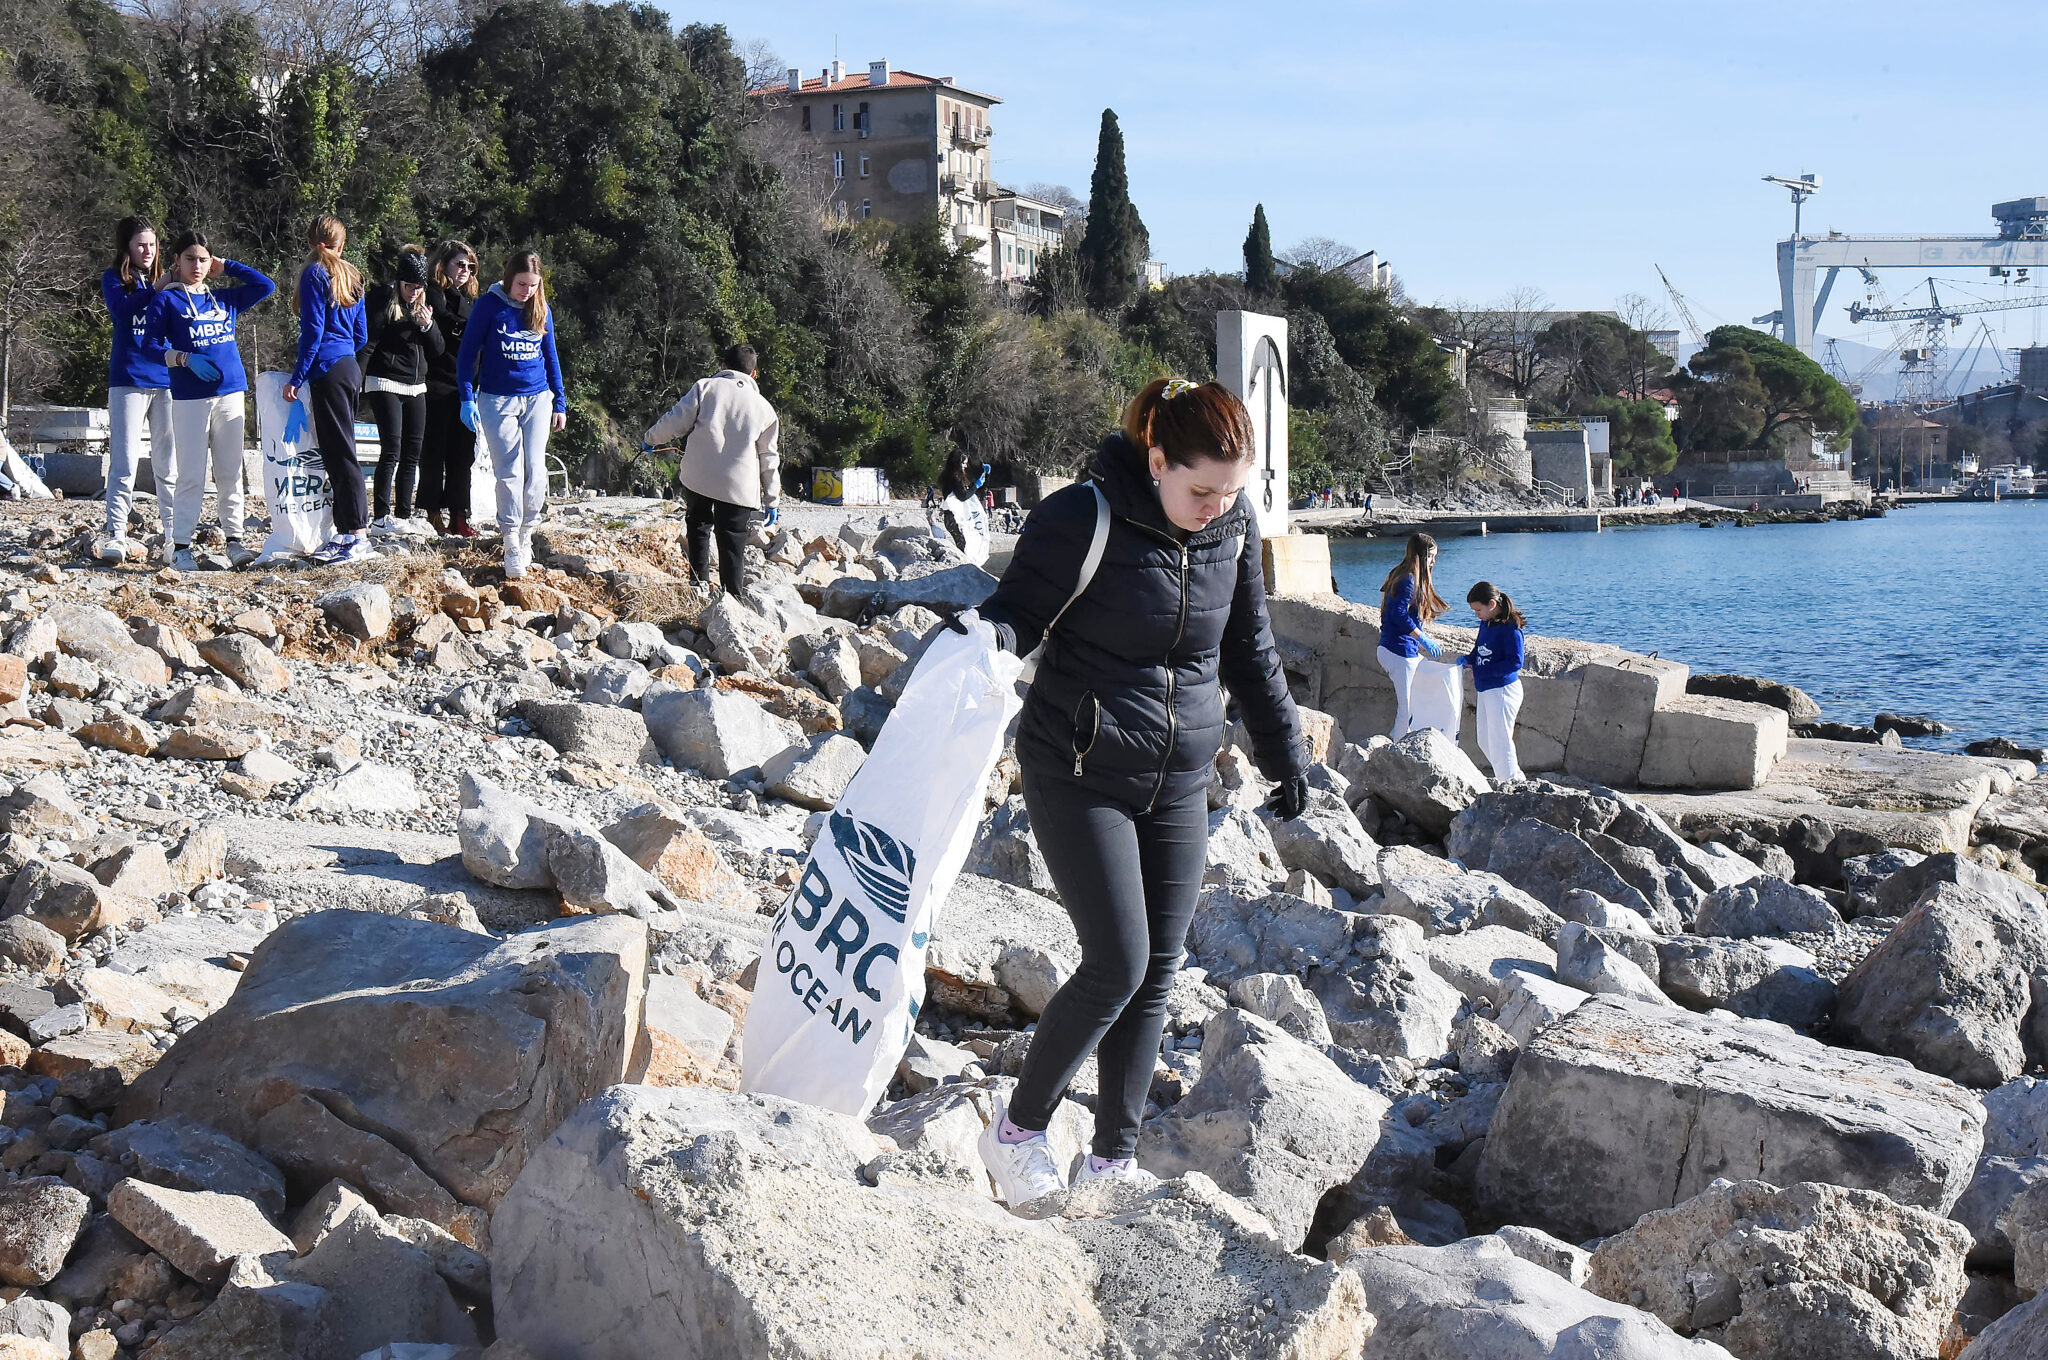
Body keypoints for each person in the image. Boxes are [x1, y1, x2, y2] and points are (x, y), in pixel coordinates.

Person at [965, 376, 1308, 1208]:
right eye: (1200, 489)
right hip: (1077, 769)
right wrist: (975, 654)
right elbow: (1013, 613)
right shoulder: (1082, 517)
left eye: (1231, 493)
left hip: (1182, 779)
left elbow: (1249, 647)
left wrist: (1283, 748)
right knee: (1116, 961)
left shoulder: (1229, 526)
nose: (1215, 507)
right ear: (1155, 458)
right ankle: (1016, 1133)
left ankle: (1111, 1162)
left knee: (1158, 972)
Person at [141, 231, 275, 571]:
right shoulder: (166, 301)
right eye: (190, 259)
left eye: (203, 259)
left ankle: (235, 540)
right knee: (190, 473)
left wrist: (226, 266)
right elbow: (149, 346)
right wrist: (182, 358)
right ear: (176, 261)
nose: (197, 265)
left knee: (230, 472)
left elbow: (265, 286)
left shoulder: (225, 299)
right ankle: (182, 545)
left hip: (230, 392)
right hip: (189, 398)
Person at [456, 249, 566, 580]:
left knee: (535, 469)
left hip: (537, 398)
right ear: (509, 278)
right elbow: (467, 353)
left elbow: (551, 356)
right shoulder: (489, 305)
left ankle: (526, 533)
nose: (526, 291)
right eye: (521, 284)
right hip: (497, 399)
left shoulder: (540, 307)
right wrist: (466, 397)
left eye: (533, 285)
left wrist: (559, 400)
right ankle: (509, 539)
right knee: (509, 472)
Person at [642, 343, 779, 595]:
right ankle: (732, 597)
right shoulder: (765, 409)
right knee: (732, 540)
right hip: (738, 487)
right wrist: (772, 498)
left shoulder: (705, 387)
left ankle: (698, 583)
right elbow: (768, 457)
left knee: (698, 524)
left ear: (723, 367)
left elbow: (676, 420)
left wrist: (651, 439)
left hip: (699, 476)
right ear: (754, 374)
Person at [98, 217, 173, 564]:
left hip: (167, 380)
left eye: (153, 244)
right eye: (141, 244)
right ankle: (116, 531)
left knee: (167, 462)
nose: (148, 250)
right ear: (127, 246)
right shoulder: (115, 279)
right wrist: (157, 289)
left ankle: (175, 535)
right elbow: (122, 310)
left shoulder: (167, 281)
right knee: (125, 460)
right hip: (128, 378)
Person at [358, 247, 443, 531]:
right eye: (409, 287)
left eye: (419, 288)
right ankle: (381, 515)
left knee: (412, 454)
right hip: (384, 382)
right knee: (391, 449)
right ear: (399, 282)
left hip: (416, 386)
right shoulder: (383, 299)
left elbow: (438, 349)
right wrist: (357, 382)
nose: (413, 293)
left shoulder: (425, 305)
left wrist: (427, 325)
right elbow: (368, 344)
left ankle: (404, 515)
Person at [420, 240, 480, 537]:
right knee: (434, 452)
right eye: (460, 264)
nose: (465, 271)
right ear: (443, 264)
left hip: (466, 386)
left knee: (462, 456)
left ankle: (459, 515)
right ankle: (432, 512)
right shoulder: (433, 293)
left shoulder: (472, 301)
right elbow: (444, 321)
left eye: (470, 267)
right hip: (436, 381)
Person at [1377, 532, 1447, 739]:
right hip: (1399, 651)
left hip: (1394, 649)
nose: (1434, 561)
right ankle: (1396, 749)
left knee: (1414, 702)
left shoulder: (1400, 573)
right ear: (1420, 556)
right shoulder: (1408, 579)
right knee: (1407, 710)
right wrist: (1421, 637)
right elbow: (1397, 613)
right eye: (1431, 556)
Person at [1462, 581, 1527, 783]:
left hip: (1503, 690)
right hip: (1487, 689)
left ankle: (1510, 783)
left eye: (1478, 610)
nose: (1476, 614)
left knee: (1500, 742)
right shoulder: (1486, 623)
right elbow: (1480, 647)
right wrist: (1470, 659)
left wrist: (1483, 670)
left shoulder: (1510, 628)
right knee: (1484, 740)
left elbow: (1516, 662)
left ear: (1492, 604)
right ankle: (1516, 777)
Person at [935, 452, 991, 566]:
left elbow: (970, 493)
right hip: (954, 519)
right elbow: (963, 496)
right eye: (964, 463)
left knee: (966, 547)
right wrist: (977, 484)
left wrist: (985, 476)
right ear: (958, 463)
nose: (965, 466)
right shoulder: (952, 478)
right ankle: (964, 570)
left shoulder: (953, 477)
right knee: (965, 548)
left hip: (952, 518)